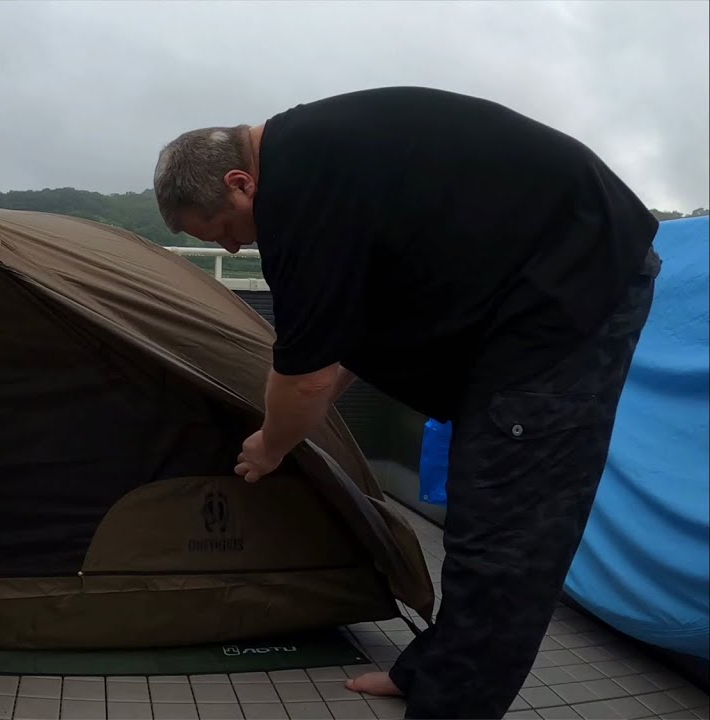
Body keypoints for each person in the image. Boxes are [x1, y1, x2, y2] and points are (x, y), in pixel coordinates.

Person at [151, 86, 661, 719]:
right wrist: (305, 419)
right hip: (525, 289)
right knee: (483, 515)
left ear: (240, 183)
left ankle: (451, 706)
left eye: (225, 231)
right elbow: (340, 346)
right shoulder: (315, 157)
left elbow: (304, 374)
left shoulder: (304, 189)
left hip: (574, 291)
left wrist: (272, 445)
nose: (230, 251)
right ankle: (432, 672)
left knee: (505, 531)